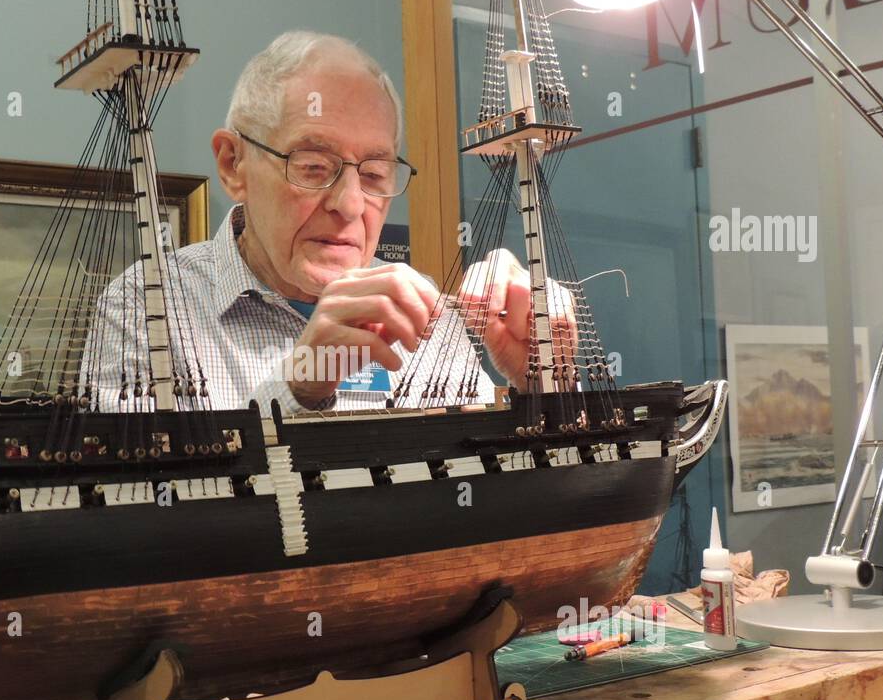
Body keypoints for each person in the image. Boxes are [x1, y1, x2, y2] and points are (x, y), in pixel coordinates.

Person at [82, 30, 576, 415]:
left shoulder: (426, 321)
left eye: (376, 174)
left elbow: (487, 506)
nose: (351, 204)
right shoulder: (146, 311)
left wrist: (540, 385)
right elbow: (149, 516)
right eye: (313, 167)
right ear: (234, 165)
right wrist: (299, 384)